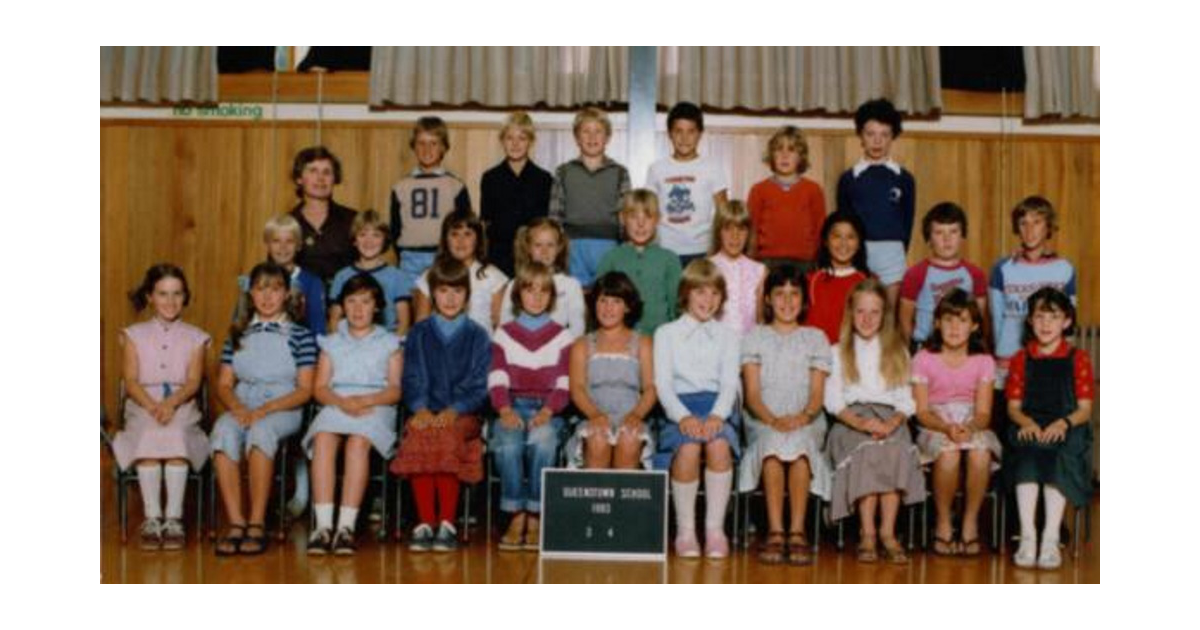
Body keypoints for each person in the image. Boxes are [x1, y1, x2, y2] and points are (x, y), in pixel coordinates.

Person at [210, 262, 316, 556]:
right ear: (251, 294)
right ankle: (236, 522)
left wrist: (266, 409)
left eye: (276, 289)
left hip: (283, 406)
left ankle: (257, 522)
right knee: (222, 432)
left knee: (260, 432)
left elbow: (305, 389)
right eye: (260, 289)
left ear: (286, 295)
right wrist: (238, 408)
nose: (267, 297)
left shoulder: (300, 335)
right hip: (243, 404)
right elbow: (224, 384)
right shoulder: (237, 334)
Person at [391, 259, 490, 553]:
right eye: (443, 291)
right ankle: (425, 522)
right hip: (425, 411)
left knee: (446, 435)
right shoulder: (420, 333)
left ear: (467, 295)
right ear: (433, 293)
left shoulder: (477, 335)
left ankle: (446, 522)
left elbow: (479, 384)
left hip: (464, 414)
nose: (450, 298)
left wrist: (454, 410)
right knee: (421, 433)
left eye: (458, 291)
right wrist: (420, 408)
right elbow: (412, 375)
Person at [824, 278, 925, 564]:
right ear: (851, 313)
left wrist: (892, 423)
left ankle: (888, 533)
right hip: (851, 421)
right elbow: (833, 401)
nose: (867, 319)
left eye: (874, 312)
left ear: (884, 316)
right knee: (868, 450)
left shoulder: (897, 351)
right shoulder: (837, 351)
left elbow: (907, 399)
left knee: (893, 449)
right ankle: (867, 533)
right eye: (861, 312)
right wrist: (863, 424)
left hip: (891, 418)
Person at [737, 263, 832, 565]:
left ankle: (797, 530)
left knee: (801, 445)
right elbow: (752, 396)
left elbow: (817, 395)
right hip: (763, 416)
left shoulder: (816, 338)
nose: (787, 302)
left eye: (794, 295)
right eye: (779, 294)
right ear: (768, 299)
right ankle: (776, 530)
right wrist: (773, 420)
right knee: (773, 448)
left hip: (807, 417)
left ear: (804, 301)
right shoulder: (754, 337)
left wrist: (802, 417)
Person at [111, 264, 211, 550]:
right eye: (163, 294)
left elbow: (193, 381)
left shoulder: (196, 337)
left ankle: (174, 518)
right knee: (149, 432)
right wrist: (153, 406)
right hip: (143, 402)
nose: (170, 301)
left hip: (182, 403)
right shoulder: (133, 335)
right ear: (150, 297)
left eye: (177, 294)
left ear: (185, 297)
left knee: (177, 431)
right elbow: (130, 380)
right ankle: (153, 516)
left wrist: (170, 404)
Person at [303, 274, 402, 556]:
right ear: (342, 306)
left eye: (366, 302)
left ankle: (345, 527)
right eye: (351, 301)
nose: (358, 309)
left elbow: (395, 390)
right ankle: (323, 527)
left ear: (377, 307)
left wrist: (366, 399)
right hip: (338, 401)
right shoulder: (331, 342)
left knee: (358, 442)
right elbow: (320, 388)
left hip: (375, 403)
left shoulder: (390, 342)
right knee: (323, 438)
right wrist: (341, 401)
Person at [653, 259, 741, 559]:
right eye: (700, 292)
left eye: (715, 294)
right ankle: (686, 531)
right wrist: (684, 417)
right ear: (686, 294)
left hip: (717, 406)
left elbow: (729, 384)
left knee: (718, 445)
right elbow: (663, 386)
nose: (708, 300)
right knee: (689, 449)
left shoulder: (729, 336)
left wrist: (718, 415)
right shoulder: (666, 334)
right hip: (680, 408)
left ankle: (715, 530)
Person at [1004, 287, 1094, 570]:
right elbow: (1013, 408)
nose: (1045, 324)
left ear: (1066, 321)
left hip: (1068, 426)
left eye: (1053, 317)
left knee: (1058, 455)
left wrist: (1063, 423)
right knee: (1028, 452)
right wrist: (1027, 422)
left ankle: (1051, 537)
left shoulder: (1078, 358)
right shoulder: (1021, 358)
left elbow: (1084, 409)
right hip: (1029, 422)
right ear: (1030, 321)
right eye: (1039, 317)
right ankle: (1028, 536)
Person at [489, 263, 575, 550]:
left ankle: (536, 513)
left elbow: (564, 383)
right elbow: (498, 377)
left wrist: (548, 411)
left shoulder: (562, 336)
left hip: (547, 408)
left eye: (543, 291)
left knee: (543, 440)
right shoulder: (504, 333)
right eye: (529, 290)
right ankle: (515, 512)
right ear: (518, 295)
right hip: (511, 405)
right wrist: (504, 409)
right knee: (508, 444)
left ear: (551, 296)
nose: (536, 297)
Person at [911, 288, 1000, 557]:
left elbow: (984, 413)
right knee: (948, 454)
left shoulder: (983, 361)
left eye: (962, 321)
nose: (954, 328)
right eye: (948, 320)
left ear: (973, 326)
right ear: (937, 323)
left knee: (980, 453)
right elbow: (922, 412)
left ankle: (970, 521)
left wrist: (968, 428)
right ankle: (943, 521)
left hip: (972, 421)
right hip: (934, 423)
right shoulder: (923, 359)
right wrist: (946, 428)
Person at [565, 272, 657, 470]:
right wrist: (595, 415)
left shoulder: (643, 343)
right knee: (598, 437)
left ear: (628, 307)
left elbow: (650, 388)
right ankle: (595, 499)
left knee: (629, 438)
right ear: (594, 304)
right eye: (603, 300)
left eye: (616, 301)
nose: (608, 308)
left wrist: (636, 415)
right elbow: (577, 389)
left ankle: (622, 499)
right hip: (594, 413)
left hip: (631, 414)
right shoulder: (582, 344)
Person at [835, 98, 916, 307]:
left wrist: (896, 251)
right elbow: (844, 223)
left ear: (893, 137)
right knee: (862, 310)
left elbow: (907, 222)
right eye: (871, 134)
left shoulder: (904, 178)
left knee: (888, 314)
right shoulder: (849, 178)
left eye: (884, 135)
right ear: (860, 136)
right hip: (859, 252)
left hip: (892, 253)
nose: (877, 141)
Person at [549, 107, 631, 287]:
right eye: (586, 131)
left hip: (609, 246)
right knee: (576, 299)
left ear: (607, 137)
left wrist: (623, 249)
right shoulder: (563, 172)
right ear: (577, 138)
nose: (592, 137)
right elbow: (555, 217)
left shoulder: (619, 172)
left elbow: (625, 217)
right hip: (573, 247)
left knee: (607, 296)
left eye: (598, 132)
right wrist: (559, 250)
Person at [390, 116, 472, 292]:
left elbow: (466, 227)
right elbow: (395, 228)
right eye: (421, 143)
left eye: (433, 143)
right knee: (409, 307)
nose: (427, 149)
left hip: (443, 257)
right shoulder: (401, 186)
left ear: (444, 147)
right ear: (413, 146)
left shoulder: (455, 185)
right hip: (409, 258)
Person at [645, 101, 730, 267]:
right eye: (678, 131)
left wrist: (718, 249)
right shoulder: (656, 169)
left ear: (700, 133)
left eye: (691, 132)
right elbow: (650, 211)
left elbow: (723, 212)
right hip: (665, 249)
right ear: (669, 133)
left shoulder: (712, 167)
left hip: (702, 250)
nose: (684, 138)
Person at [898, 202, 988, 350]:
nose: (947, 239)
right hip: (924, 346)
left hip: (963, 349)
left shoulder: (975, 274)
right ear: (929, 238)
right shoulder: (916, 274)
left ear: (962, 236)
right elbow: (904, 320)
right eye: (939, 233)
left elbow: (980, 319)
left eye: (953, 232)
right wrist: (911, 350)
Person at [596, 189, 682, 335]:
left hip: (660, 339)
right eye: (633, 217)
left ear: (657, 219)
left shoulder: (670, 259)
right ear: (623, 218)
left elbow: (677, 306)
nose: (640, 224)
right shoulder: (611, 258)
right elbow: (599, 304)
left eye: (648, 217)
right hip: (619, 339)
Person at [412, 208, 509, 334]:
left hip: (481, 348)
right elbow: (421, 324)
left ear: (478, 239)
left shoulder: (493, 276)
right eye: (454, 234)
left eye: (468, 234)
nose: (461, 241)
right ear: (445, 239)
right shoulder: (430, 275)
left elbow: (500, 325)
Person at [480, 111, 553, 277]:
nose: (515, 144)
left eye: (522, 138)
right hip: (499, 256)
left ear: (531, 142)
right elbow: (486, 223)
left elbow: (545, 223)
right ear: (502, 141)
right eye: (509, 138)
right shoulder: (490, 178)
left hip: (533, 256)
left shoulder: (544, 179)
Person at [747, 125, 827, 272]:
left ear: (801, 156)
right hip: (768, 261)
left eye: (791, 150)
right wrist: (752, 262)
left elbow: (820, 229)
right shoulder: (758, 190)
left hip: (805, 261)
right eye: (779, 149)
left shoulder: (813, 190)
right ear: (771, 155)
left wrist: (817, 259)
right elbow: (752, 229)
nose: (784, 155)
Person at [498, 218, 586, 338]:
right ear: (528, 248)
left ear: (559, 247)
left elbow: (578, 328)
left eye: (550, 245)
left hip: (559, 349)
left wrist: (560, 347)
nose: (544, 251)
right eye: (538, 245)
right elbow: (505, 324)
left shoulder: (571, 285)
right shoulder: (514, 284)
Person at [328, 210, 412, 335]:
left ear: (385, 240)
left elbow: (403, 323)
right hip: (350, 343)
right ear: (354, 240)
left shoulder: (397, 276)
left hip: (386, 343)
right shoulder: (342, 276)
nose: (369, 241)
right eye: (362, 235)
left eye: (376, 235)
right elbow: (334, 320)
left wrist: (392, 347)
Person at [289, 146, 358, 284]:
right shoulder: (287, 223)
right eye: (313, 171)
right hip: (301, 300)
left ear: (334, 179)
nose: (321, 178)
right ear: (299, 179)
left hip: (346, 300)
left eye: (327, 172)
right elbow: (275, 273)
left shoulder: (353, 220)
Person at [804, 211, 871, 344]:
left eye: (851, 237)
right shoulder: (810, 281)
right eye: (836, 236)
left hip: (853, 359)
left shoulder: (869, 283)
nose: (843, 243)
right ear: (825, 241)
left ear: (859, 244)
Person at [708, 200, 766, 336]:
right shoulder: (707, 267)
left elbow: (761, 322)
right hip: (715, 348)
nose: (735, 236)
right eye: (728, 228)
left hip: (748, 348)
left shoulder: (760, 271)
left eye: (741, 229)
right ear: (718, 232)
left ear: (749, 233)